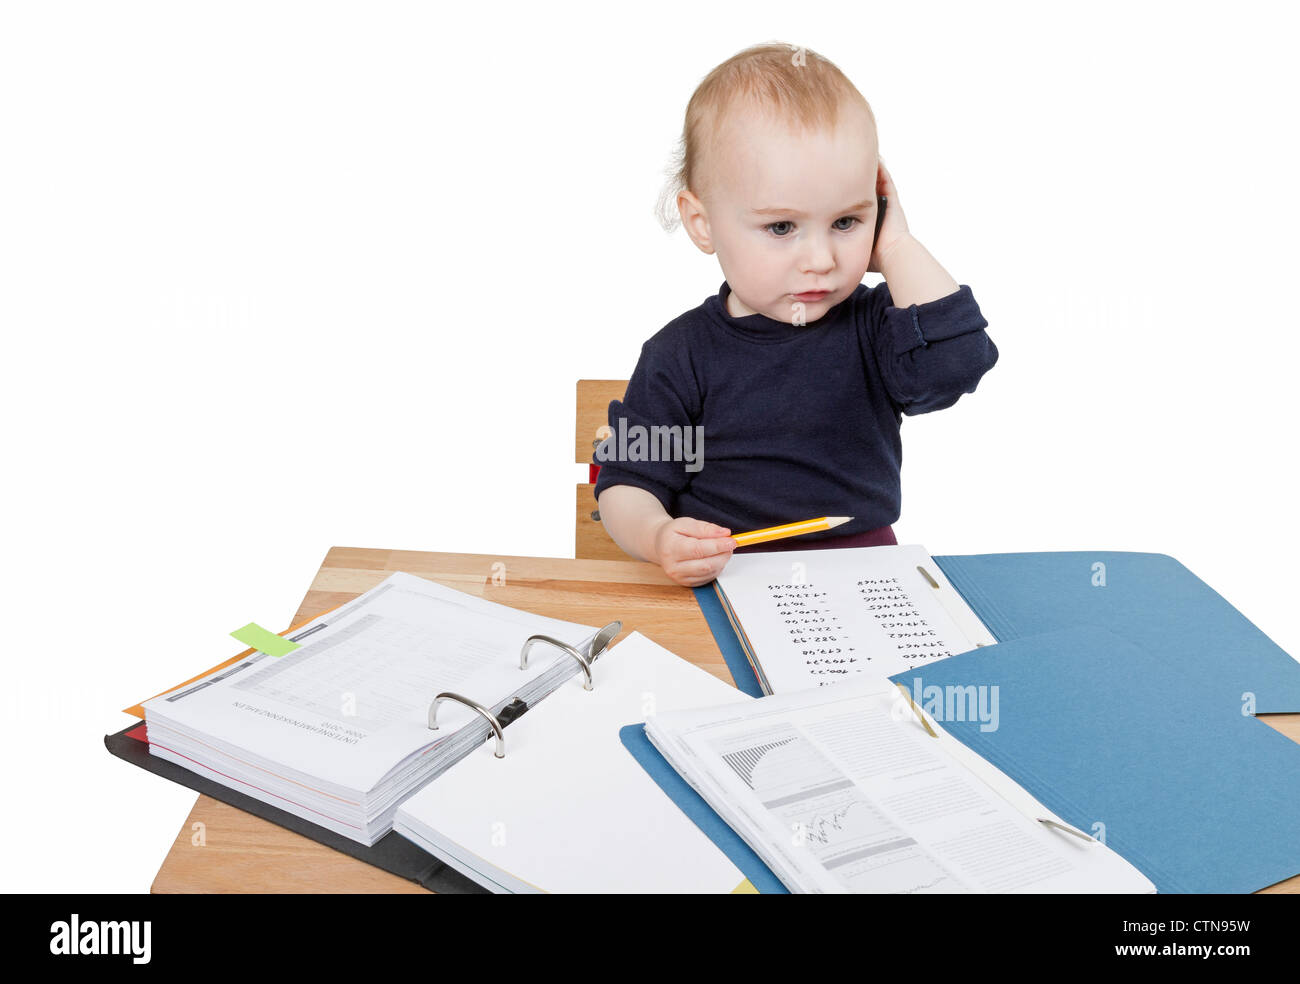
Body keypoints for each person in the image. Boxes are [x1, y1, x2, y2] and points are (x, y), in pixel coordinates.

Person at [593, 42, 998, 587]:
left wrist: (898, 247)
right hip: (725, 577)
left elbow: (958, 363)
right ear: (702, 222)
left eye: (847, 222)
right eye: (782, 228)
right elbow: (627, 481)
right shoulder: (680, 354)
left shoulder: (878, 326)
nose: (822, 260)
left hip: (865, 580)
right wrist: (660, 537)